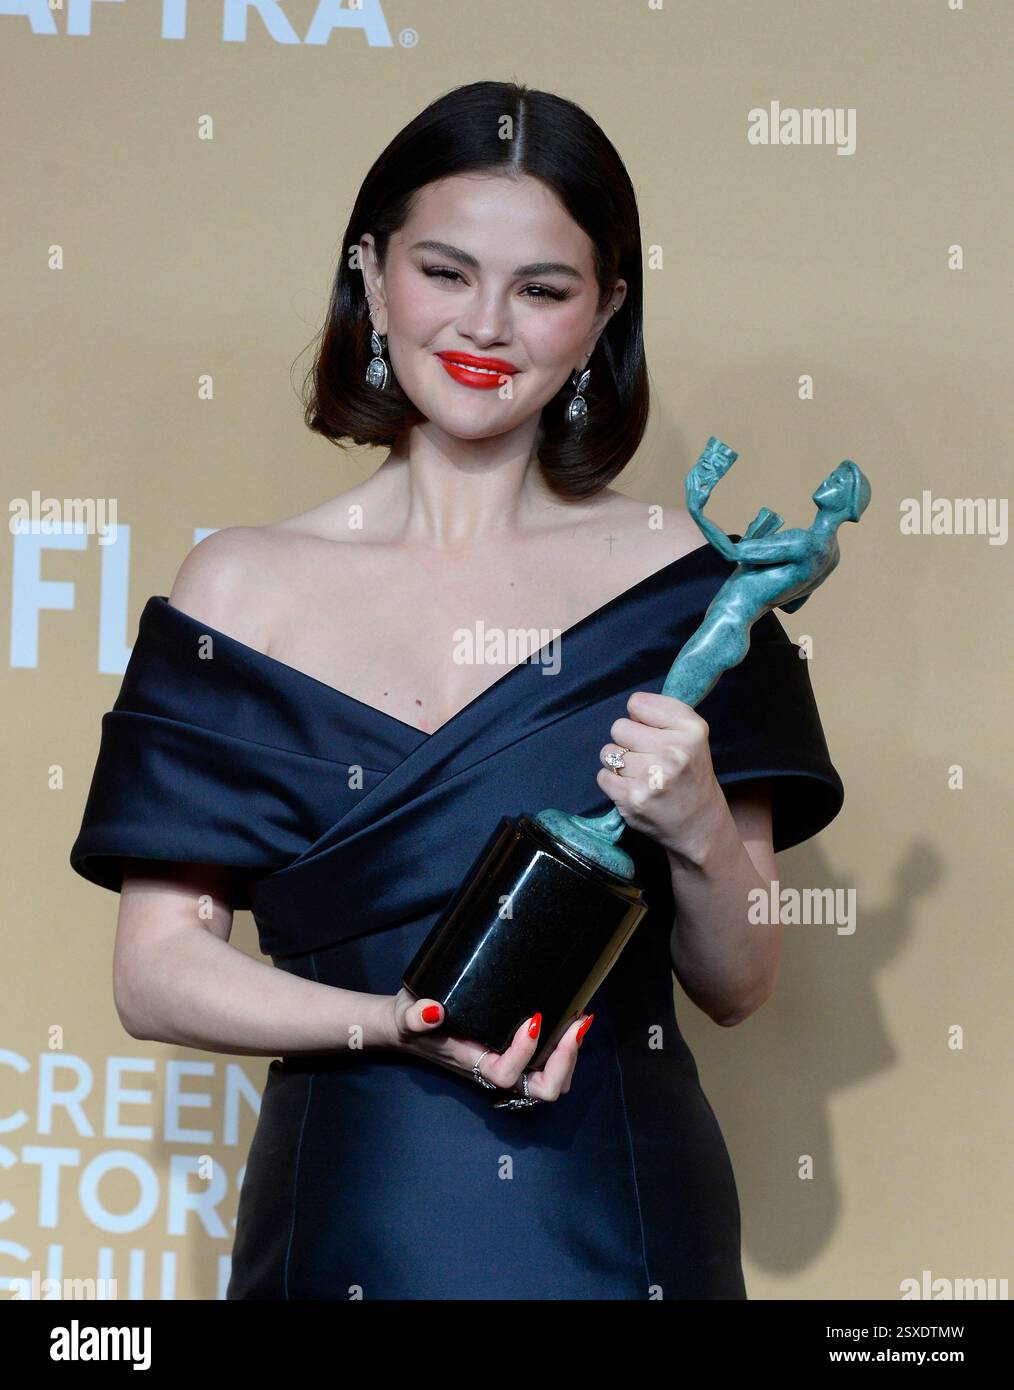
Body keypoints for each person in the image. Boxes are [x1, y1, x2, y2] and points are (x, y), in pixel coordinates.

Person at [70, 80, 845, 1299]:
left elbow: (739, 985)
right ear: (372, 278)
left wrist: (695, 819)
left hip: (615, 1230)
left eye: (543, 289)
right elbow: (153, 970)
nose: (488, 325)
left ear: (603, 318)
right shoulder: (241, 585)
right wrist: (401, 1022)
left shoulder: (692, 590)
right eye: (446, 272)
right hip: (349, 1217)